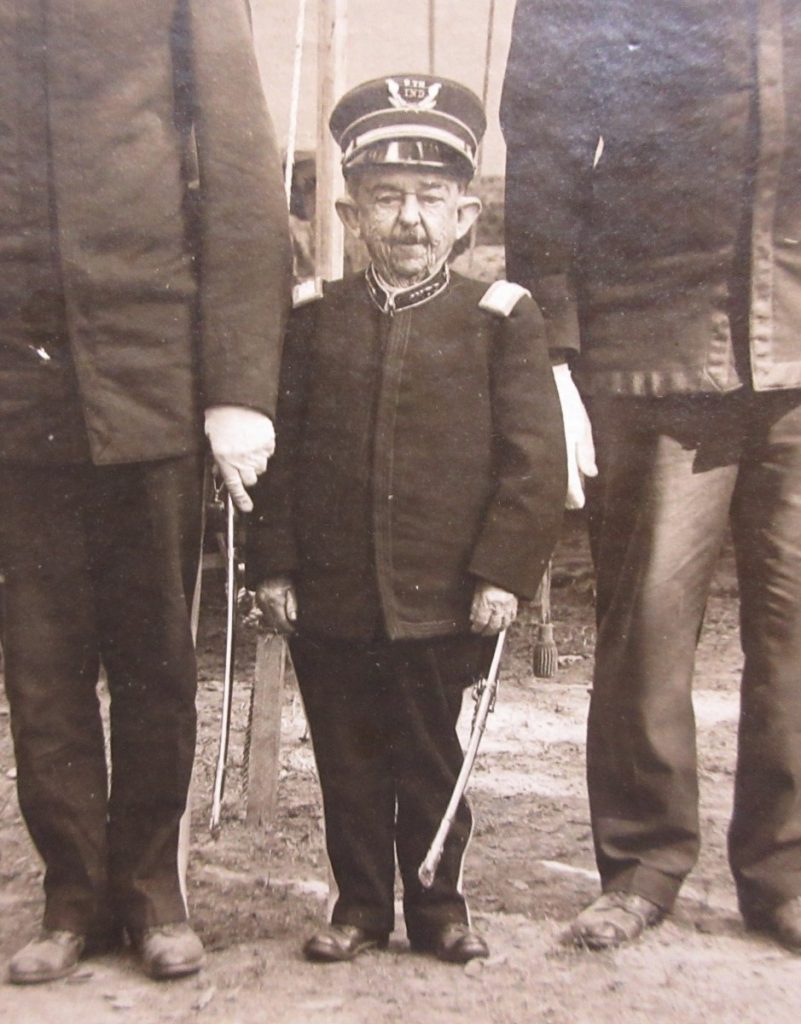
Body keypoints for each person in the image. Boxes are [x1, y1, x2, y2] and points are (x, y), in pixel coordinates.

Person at [0, 0, 291, 983]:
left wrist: (238, 386)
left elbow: (246, 177)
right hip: (16, 385)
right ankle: (71, 894)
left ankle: (152, 887)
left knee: (155, 652)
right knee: (40, 664)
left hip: (149, 372)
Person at [502, 0, 801, 952]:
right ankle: (639, 865)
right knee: (645, 631)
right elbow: (543, 140)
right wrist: (549, 346)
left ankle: (787, 873)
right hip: (655, 344)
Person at [248, 73, 566, 964]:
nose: (410, 221)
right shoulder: (313, 321)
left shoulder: (501, 320)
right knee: (346, 759)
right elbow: (273, 457)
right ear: (351, 217)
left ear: (467, 215)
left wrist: (502, 572)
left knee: (430, 756)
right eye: (386, 200)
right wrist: (272, 567)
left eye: (432, 200)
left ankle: (439, 910)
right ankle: (356, 909)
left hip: (443, 594)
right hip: (334, 595)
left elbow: (531, 465)